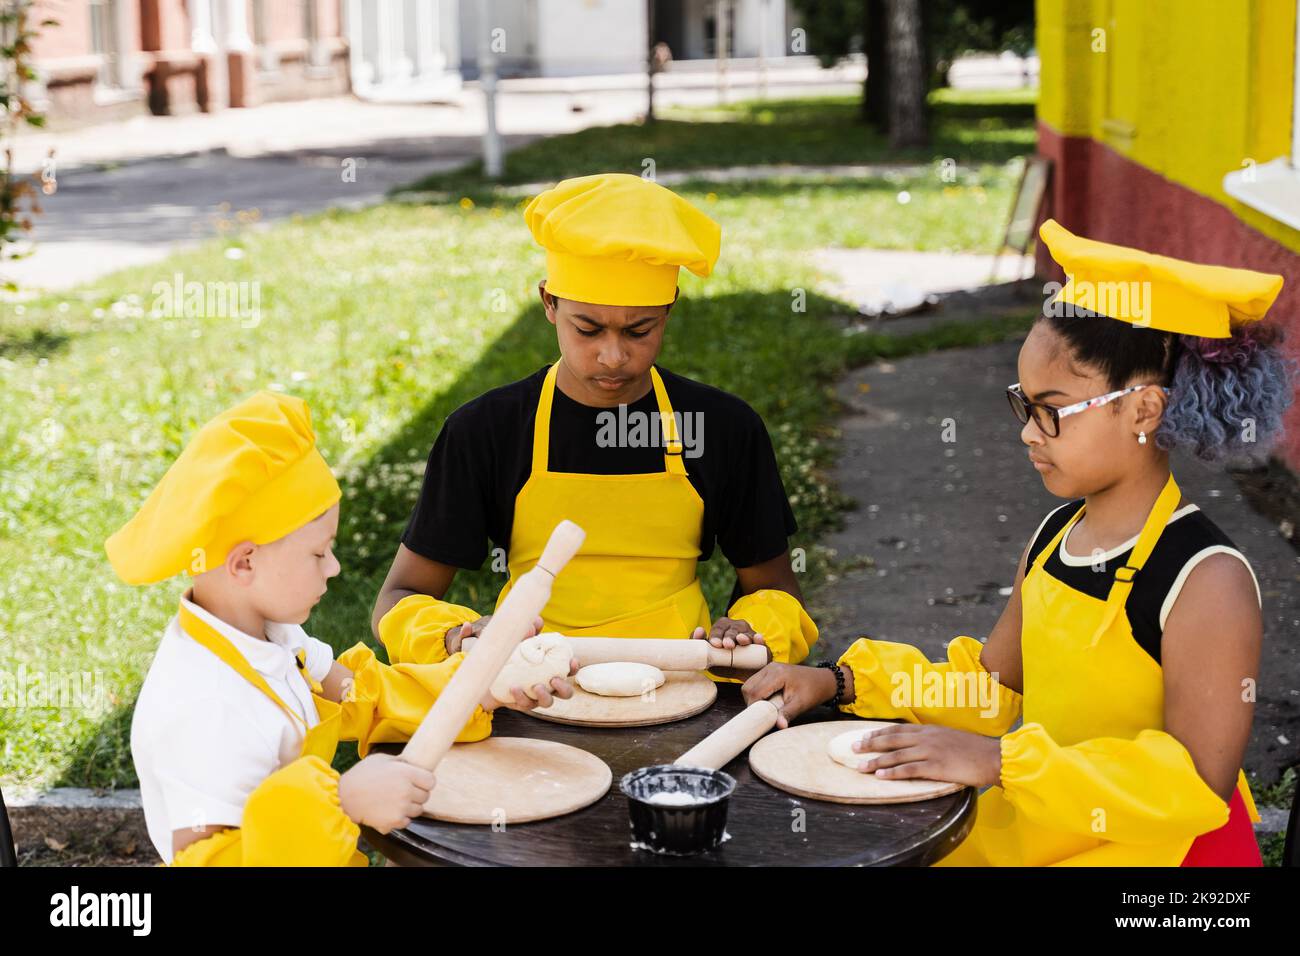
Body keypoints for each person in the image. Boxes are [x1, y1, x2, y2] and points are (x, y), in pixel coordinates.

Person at [742, 219, 1292, 865]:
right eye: (1023, 405)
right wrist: (838, 681)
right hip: (1042, 822)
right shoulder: (1058, 533)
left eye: (1051, 410)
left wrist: (1001, 761)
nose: (1029, 434)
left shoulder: (1206, 577)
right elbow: (991, 690)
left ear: (1143, 409)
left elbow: (1199, 782)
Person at [373, 173, 817, 681]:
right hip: (530, 683)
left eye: (639, 330)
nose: (613, 356)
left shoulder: (722, 429)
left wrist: (750, 629)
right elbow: (400, 597)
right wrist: (457, 635)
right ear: (548, 304)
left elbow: (776, 592)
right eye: (587, 329)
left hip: (680, 685)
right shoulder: (486, 431)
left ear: (668, 312)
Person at [108, 391, 572, 866]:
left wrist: (482, 686)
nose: (333, 568)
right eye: (317, 553)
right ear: (244, 563)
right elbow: (212, 860)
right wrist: (343, 801)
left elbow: (365, 696)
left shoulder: (273, 640)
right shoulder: (203, 706)